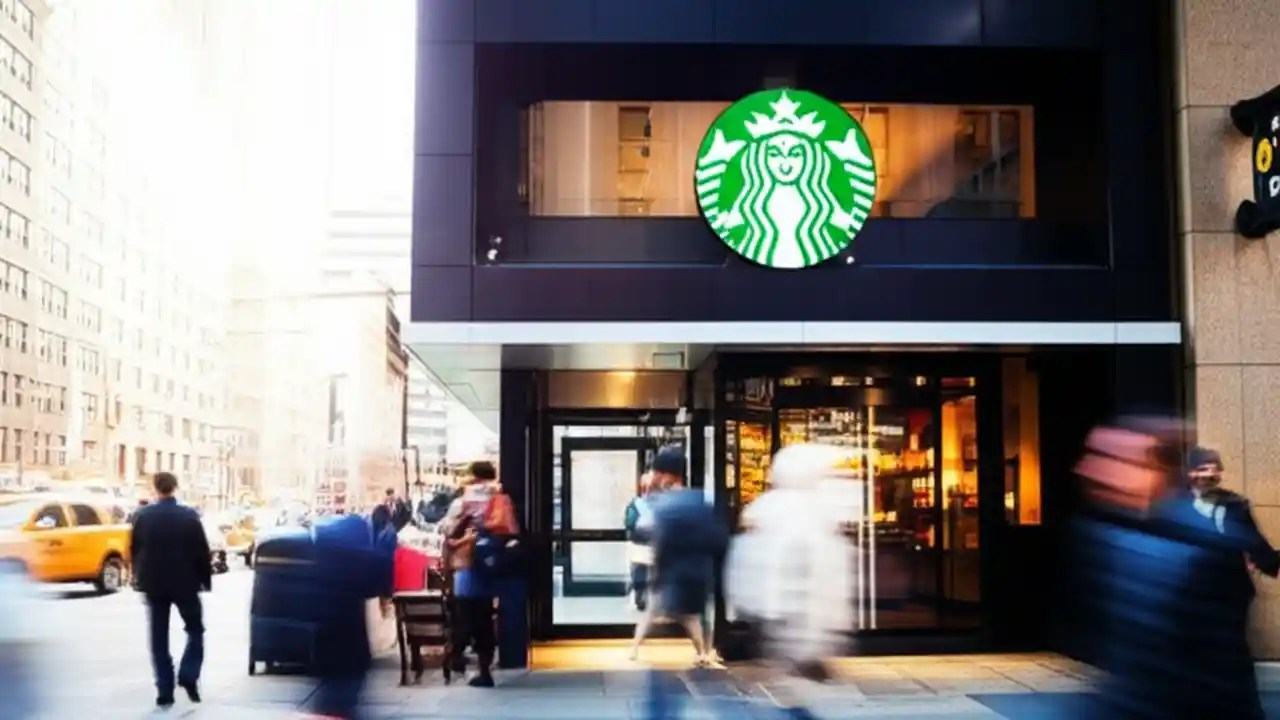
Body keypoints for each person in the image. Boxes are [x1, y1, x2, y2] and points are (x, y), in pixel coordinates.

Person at [630, 446, 726, 665]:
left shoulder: (665, 505)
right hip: (700, 571)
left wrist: (656, 574)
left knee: (672, 613)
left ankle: (701, 653)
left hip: (672, 574)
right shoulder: (701, 500)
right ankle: (704, 654)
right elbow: (718, 538)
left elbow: (657, 539)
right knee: (696, 616)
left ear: (664, 475)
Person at [129, 472, 212, 708]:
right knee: (195, 629)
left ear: (155, 488)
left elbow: (135, 549)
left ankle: (164, 690)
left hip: (154, 584)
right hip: (186, 583)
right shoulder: (189, 516)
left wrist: (138, 577)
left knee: (158, 638)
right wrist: (204, 581)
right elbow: (201, 552)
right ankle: (188, 675)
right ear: (175, 488)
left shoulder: (142, 516)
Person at [441, 461, 519, 687]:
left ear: (474, 476)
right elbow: (511, 530)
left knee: (463, 619)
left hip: (467, 570)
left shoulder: (464, 499)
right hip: (491, 570)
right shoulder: (502, 499)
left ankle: (456, 654)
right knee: (485, 622)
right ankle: (484, 671)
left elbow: (448, 530)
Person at [624, 473, 657, 611]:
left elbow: (629, 523)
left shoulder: (636, 504)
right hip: (644, 546)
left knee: (642, 575)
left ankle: (642, 599)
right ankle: (641, 599)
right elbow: (629, 523)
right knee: (642, 575)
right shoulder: (638, 505)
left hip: (646, 545)